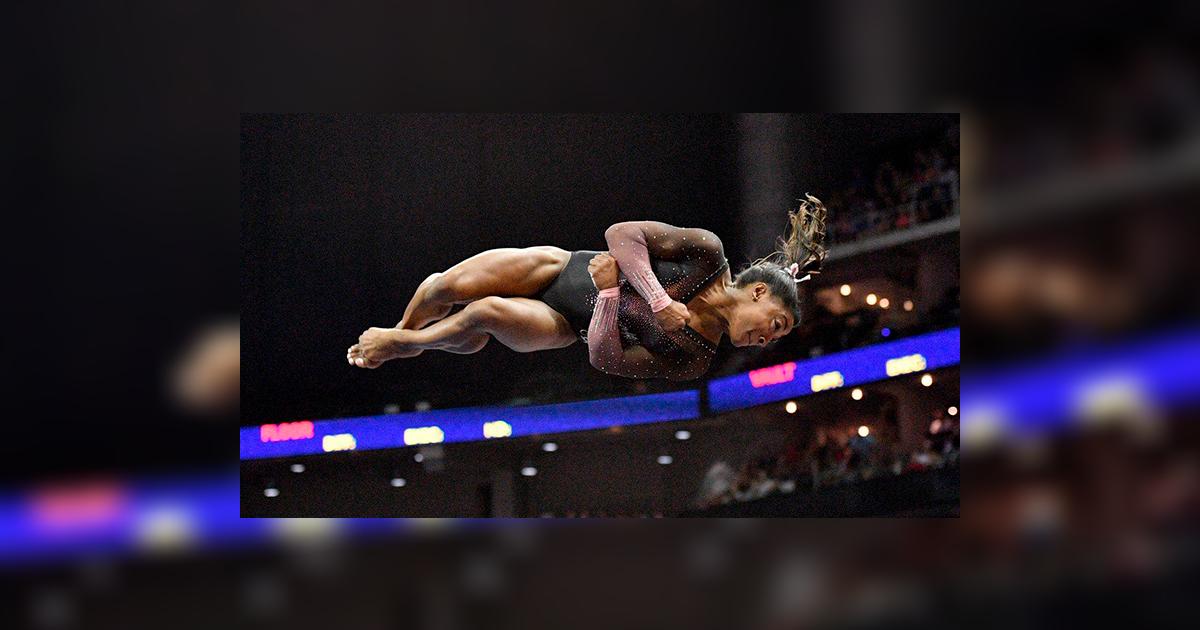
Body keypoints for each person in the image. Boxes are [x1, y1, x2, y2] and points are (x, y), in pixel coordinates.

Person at [347, 195, 828, 380]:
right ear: (759, 293)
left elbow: (606, 359)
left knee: (484, 313)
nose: (767, 339)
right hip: (557, 267)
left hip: (562, 323)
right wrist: (658, 299)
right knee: (444, 286)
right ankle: (403, 333)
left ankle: (403, 343)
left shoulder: (695, 356)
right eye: (776, 324)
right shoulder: (705, 252)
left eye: (775, 338)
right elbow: (622, 234)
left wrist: (610, 296)